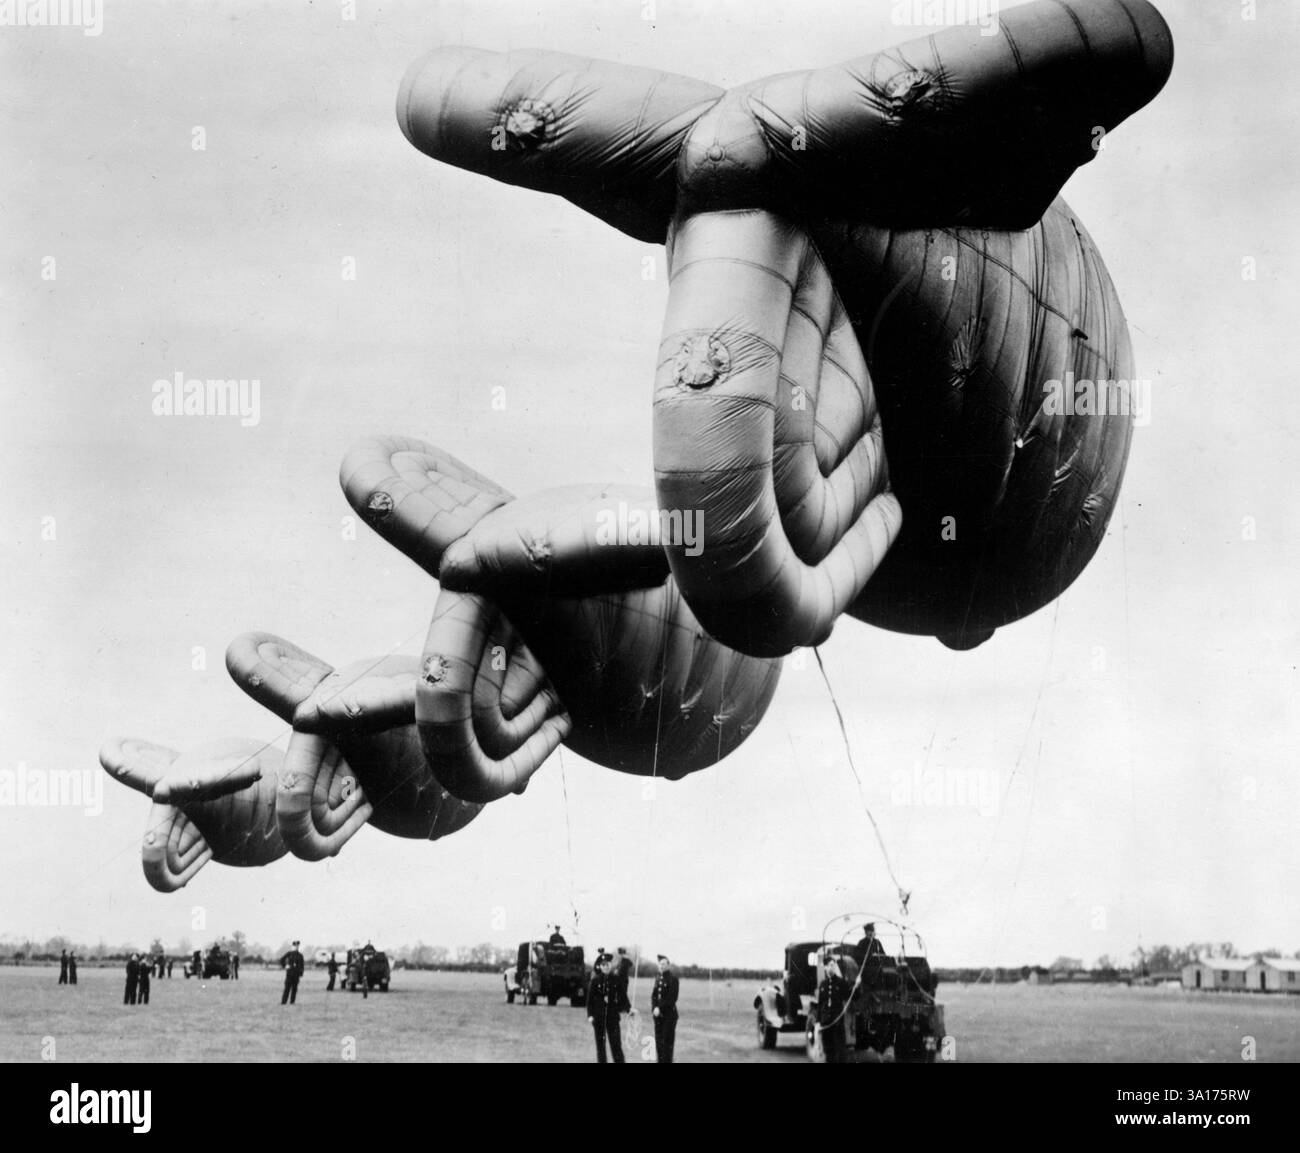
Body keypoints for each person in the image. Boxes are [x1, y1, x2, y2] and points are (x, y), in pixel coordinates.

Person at [586, 952, 624, 1063]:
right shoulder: (595, 981)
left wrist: (629, 1008)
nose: (606, 967)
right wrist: (590, 1015)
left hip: (612, 1018)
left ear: (610, 965)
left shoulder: (616, 979)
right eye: (603, 965)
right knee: (600, 1047)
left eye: (607, 964)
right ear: (600, 967)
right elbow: (589, 1001)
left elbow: (623, 996)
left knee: (616, 1045)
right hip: (598, 1018)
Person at [651, 954, 680, 1063]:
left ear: (668, 965)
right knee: (659, 1044)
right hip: (658, 1017)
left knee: (667, 1045)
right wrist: (654, 1008)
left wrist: (659, 1008)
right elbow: (654, 996)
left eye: (663, 964)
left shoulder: (673, 979)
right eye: (660, 964)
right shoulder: (658, 978)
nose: (661, 966)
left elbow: (672, 998)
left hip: (669, 1017)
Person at [281, 940, 304, 1005]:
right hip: (289, 975)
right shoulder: (289, 954)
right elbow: (282, 959)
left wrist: (301, 973)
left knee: (294, 989)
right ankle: (284, 1001)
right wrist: (285, 966)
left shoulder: (300, 955)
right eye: (295, 946)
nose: (296, 947)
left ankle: (292, 1002)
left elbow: (302, 965)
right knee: (287, 989)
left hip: (296, 975)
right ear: (293, 946)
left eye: (297, 946)